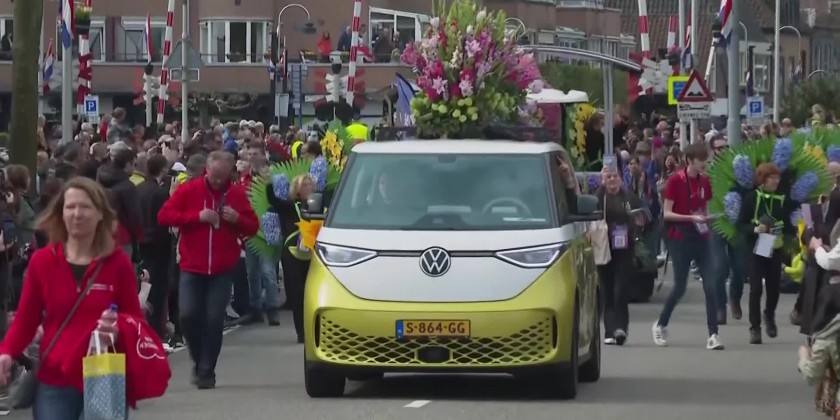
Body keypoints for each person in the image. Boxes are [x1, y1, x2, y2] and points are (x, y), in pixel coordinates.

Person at [0, 177, 144, 417]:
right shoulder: (43, 262)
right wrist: (6, 352)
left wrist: (118, 328)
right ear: (61, 213)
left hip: (104, 372)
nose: (77, 214)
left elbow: (135, 319)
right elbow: (26, 320)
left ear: (100, 214)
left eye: (85, 207)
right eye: (70, 207)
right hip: (55, 377)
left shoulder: (117, 263)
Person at [157, 151, 259, 389]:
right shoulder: (190, 190)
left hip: (222, 268)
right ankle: (197, 357)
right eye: (214, 176)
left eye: (222, 177)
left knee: (214, 319)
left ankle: (206, 370)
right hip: (192, 265)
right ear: (207, 170)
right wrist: (197, 217)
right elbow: (164, 216)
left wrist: (236, 218)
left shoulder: (235, 193)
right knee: (188, 314)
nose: (217, 181)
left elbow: (253, 226)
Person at [652, 143, 723, 350]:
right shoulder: (676, 180)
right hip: (680, 237)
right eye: (701, 160)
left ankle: (713, 334)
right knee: (680, 286)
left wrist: (708, 217)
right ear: (689, 160)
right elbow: (667, 213)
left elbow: (704, 207)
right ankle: (661, 323)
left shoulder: (705, 181)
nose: (704, 163)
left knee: (710, 286)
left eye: (705, 159)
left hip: (701, 236)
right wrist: (691, 217)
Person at [737, 163, 794, 344]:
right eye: (772, 178)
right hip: (755, 247)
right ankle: (755, 327)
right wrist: (755, 229)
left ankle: (769, 314)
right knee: (756, 288)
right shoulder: (751, 198)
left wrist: (788, 230)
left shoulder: (782, 199)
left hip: (774, 247)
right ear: (763, 179)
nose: (776, 181)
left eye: (777, 178)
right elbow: (740, 224)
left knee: (773, 286)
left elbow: (788, 224)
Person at [596, 167, 644, 345]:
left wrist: (638, 224)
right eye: (608, 177)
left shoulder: (629, 197)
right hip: (605, 248)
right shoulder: (599, 198)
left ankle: (621, 329)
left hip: (625, 249)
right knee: (607, 291)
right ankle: (609, 331)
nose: (612, 179)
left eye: (614, 176)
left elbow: (642, 215)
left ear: (620, 178)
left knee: (621, 291)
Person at [267, 174, 315, 343]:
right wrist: (268, 182)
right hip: (292, 254)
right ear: (297, 189)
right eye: (304, 185)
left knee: (312, 292)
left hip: (312, 253)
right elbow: (273, 200)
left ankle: (314, 330)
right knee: (297, 292)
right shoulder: (289, 206)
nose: (308, 187)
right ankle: (301, 332)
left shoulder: (317, 206)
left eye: (310, 184)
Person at [709, 135, 746, 324]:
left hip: (736, 225)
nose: (722, 151)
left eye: (725, 147)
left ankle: (735, 298)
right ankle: (720, 308)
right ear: (713, 151)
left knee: (739, 268)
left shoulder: (736, 169)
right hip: (716, 224)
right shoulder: (708, 172)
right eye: (719, 148)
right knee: (719, 268)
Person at [136, 154, 174, 338]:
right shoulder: (160, 193)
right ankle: (156, 330)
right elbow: (165, 219)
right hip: (159, 244)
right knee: (157, 289)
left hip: (142, 242)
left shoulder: (139, 189)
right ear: (163, 169)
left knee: (144, 286)